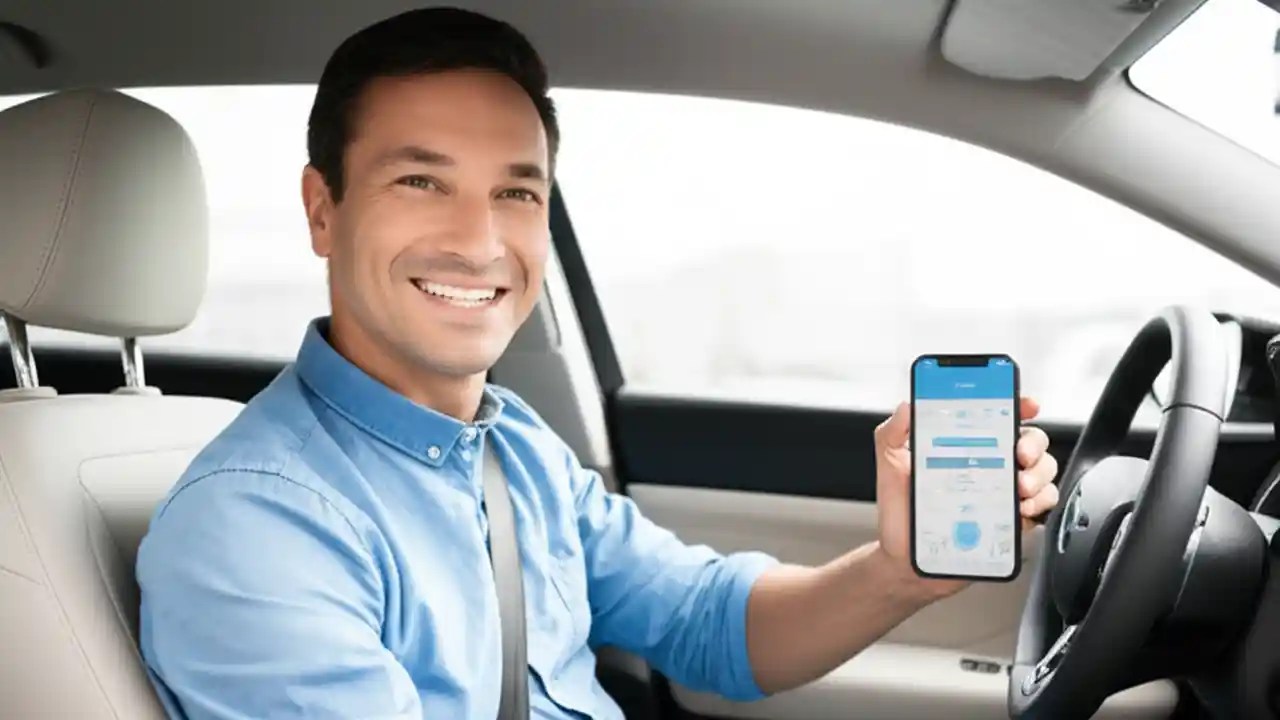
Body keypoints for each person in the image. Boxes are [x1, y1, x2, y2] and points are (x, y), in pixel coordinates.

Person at [136, 7, 1060, 719]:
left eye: (515, 191)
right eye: (421, 181)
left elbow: (705, 623)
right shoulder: (256, 526)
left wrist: (903, 571)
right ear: (323, 210)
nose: (478, 240)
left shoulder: (514, 449)